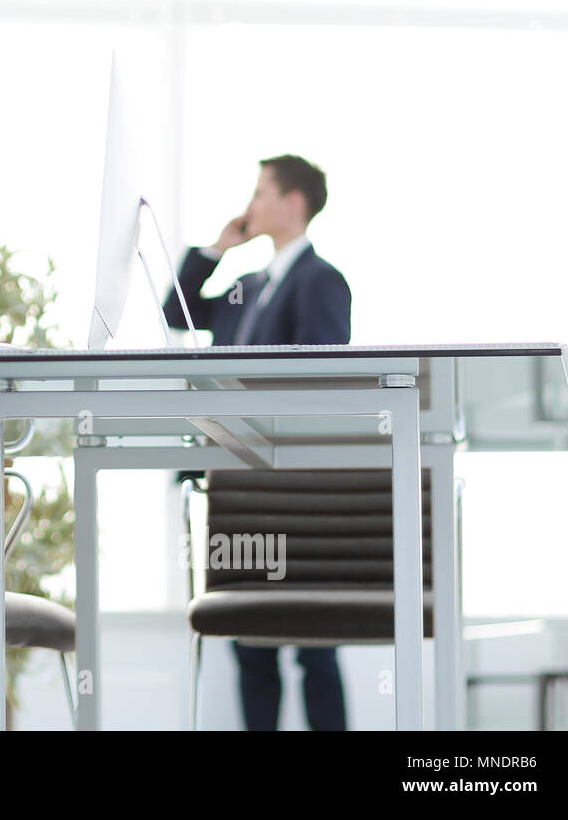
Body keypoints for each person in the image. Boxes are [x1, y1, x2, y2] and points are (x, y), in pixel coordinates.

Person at [164, 154, 352, 731]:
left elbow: (320, 382)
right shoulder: (247, 286)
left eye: (262, 193)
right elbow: (178, 309)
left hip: (297, 489)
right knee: (250, 637)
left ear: (294, 203)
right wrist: (217, 249)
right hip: (239, 482)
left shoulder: (321, 281)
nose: (252, 206)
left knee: (314, 640)